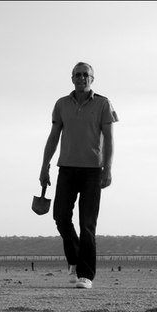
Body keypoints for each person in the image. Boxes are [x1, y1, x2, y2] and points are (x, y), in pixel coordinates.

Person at [39, 62, 118, 289]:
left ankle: (86, 275)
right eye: (77, 74)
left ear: (92, 79)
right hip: (66, 168)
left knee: (87, 224)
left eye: (86, 74)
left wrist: (108, 169)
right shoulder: (62, 104)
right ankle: (74, 260)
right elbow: (53, 136)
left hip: (92, 170)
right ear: (72, 78)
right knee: (61, 217)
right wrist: (44, 166)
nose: (81, 78)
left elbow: (109, 139)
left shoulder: (103, 104)